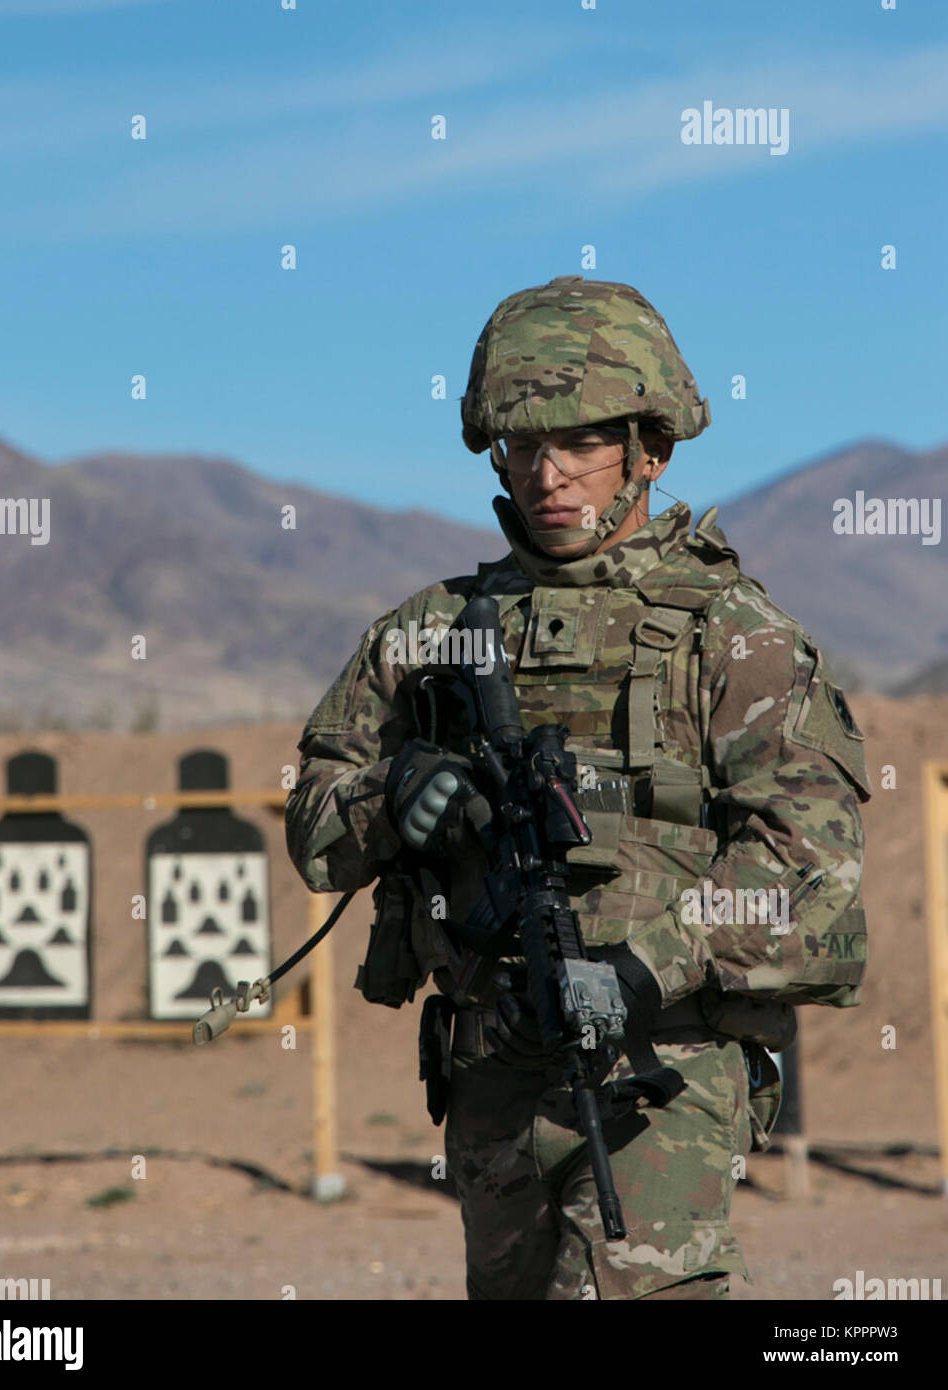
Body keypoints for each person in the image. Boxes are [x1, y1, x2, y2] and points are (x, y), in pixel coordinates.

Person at [285, 275, 870, 1300]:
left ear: (649, 446)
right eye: (521, 444)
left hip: (662, 1074)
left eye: (583, 440)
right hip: (491, 1069)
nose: (549, 472)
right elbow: (314, 826)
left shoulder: (730, 635)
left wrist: (643, 969)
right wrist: (394, 796)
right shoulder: (432, 634)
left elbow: (808, 875)